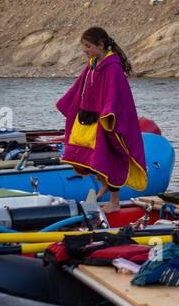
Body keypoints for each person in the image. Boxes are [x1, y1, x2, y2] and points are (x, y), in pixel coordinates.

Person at [56, 27, 147, 213]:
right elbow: (79, 87)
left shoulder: (113, 67)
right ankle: (104, 181)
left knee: (110, 157)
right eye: (84, 46)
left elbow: (115, 95)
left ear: (100, 45)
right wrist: (68, 104)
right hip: (88, 118)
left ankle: (114, 202)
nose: (85, 50)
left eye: (88, 46)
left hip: (107, 120)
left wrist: (108, 117)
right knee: (79, 153)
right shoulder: (93, 63)